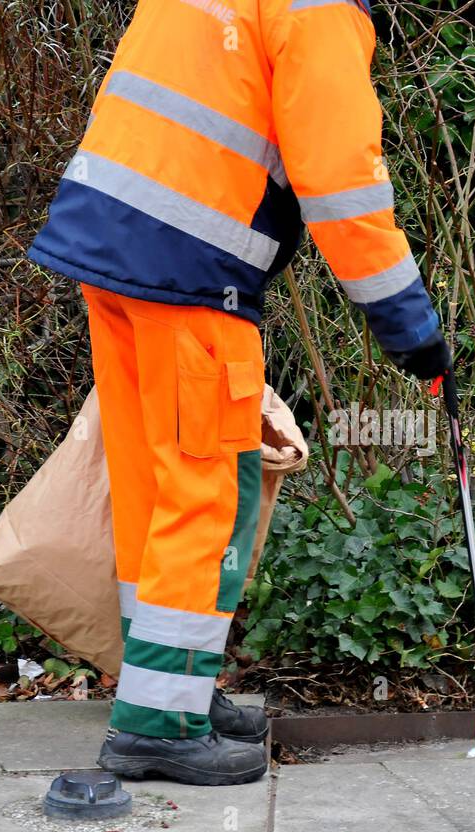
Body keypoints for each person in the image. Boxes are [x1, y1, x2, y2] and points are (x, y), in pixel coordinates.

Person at [27, 0, 451, 785]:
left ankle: (169, 691)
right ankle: (156, 727)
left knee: (154, 479)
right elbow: (344, 189)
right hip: (189, 268)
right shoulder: (320, 12)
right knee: (207, 483)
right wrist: (412, 329)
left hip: (111, 245)